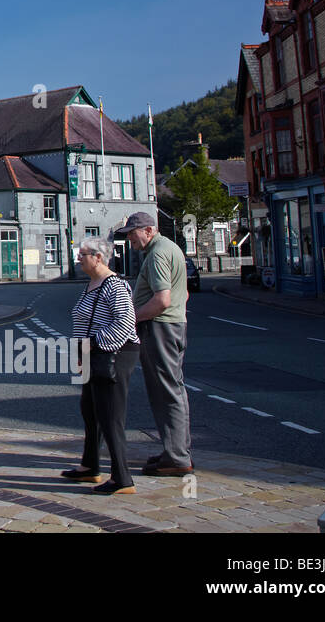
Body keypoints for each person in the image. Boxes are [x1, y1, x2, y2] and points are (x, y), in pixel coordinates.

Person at [114, 212, 193, 477]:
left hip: (160, 327)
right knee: (173, 389)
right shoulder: (170, 249)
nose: (129, 238)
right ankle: (175, 451)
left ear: (149, 230)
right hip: (172, 325)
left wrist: (130, 319)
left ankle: (177, 457)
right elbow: (184, 293)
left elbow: (162, 300)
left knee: (165, 392)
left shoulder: (158, 253)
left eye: (132, 232)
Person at [61, 236, 141, 494]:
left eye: (83, 254)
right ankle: (90, 466)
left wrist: (93, 344)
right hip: (91, 353)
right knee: (90, 411)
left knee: (110, 415)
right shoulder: (93, 283)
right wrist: (83, 350)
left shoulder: (114, 286)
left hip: (112, 354)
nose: (78, 258)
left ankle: (122, 479)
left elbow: (125, 324)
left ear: (98, 257)